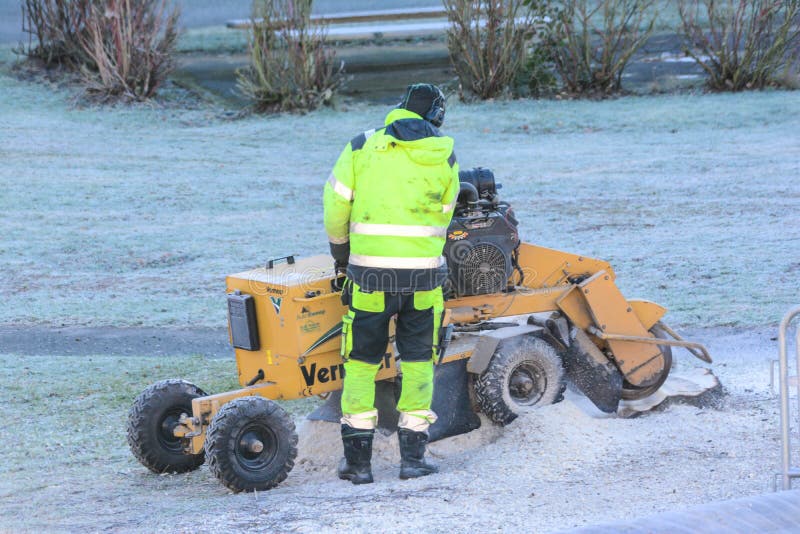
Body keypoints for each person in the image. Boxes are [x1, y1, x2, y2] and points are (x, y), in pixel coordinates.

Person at [323, 83, 460, 484]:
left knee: (362, 364)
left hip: (369, 280)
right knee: (418, 363)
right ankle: (413, 460)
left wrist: (342, 256)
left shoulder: (362, 146)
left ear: (399, 109)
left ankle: (358, 465)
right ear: (435, 118)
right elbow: (447, 217)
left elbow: (335, 206)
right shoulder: (445, 154)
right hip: (423, 282)